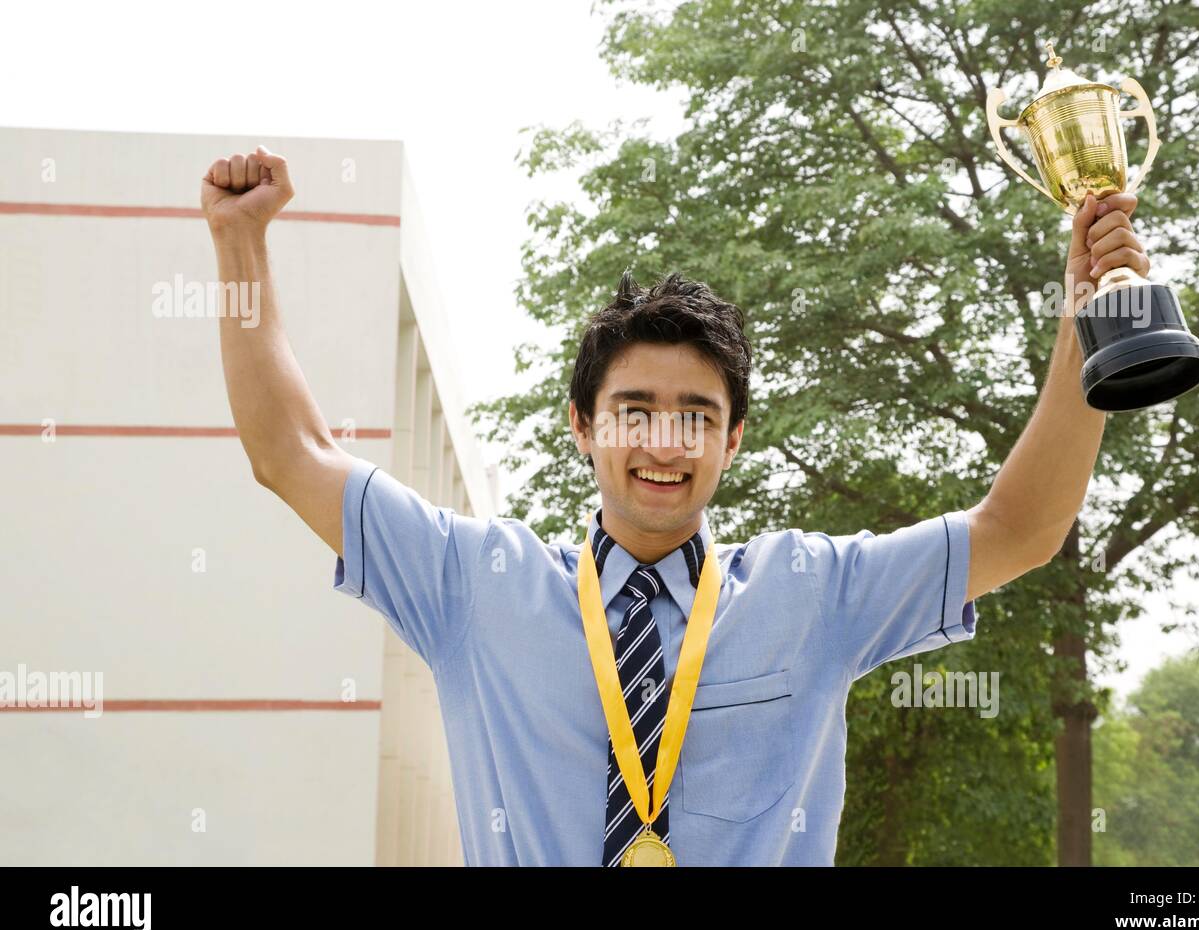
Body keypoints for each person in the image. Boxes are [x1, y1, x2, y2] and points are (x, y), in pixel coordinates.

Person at [201, 147, 1150, 866]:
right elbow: (291, 454)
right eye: (635, 411)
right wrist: (239, 243)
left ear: (733, 439)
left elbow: (1019, 529)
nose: (667, 443)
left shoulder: (816, 593)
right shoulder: (472, 586)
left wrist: (1085, 318)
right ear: (582, 426)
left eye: (699, 415)